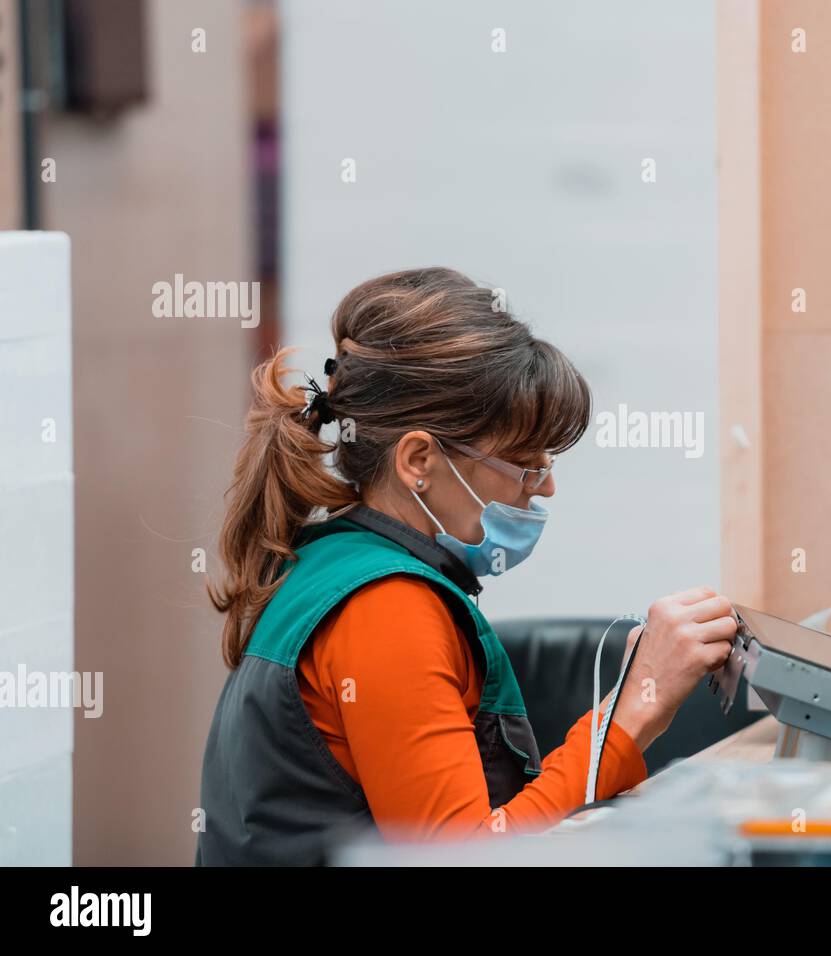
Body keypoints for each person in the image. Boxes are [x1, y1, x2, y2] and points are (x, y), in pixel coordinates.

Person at [195, 267, 737, 864]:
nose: (547, 486)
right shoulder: (386, 610)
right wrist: (633, 712)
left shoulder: (327, 561)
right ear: (418, 459)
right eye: (524, 463)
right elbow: (464, 858)